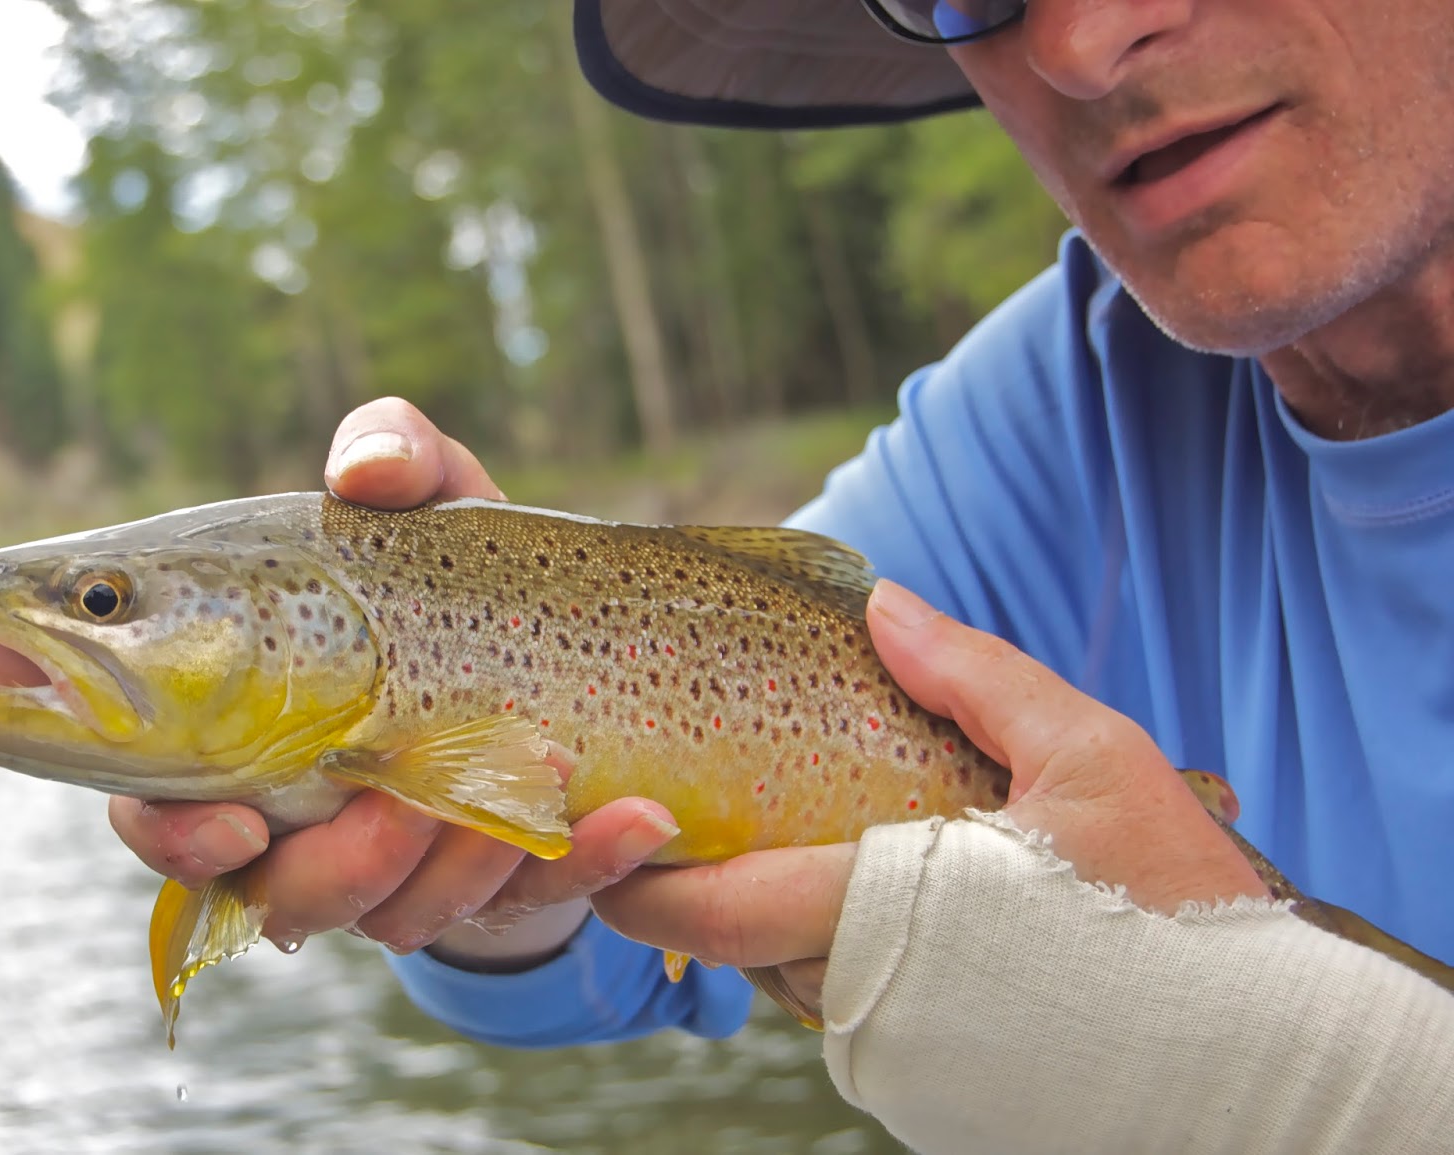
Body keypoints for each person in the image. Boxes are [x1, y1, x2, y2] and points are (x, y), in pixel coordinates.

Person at [112, 1, 1454, 1149]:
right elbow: (596, 982)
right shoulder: (1064, 407)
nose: (1086, 46)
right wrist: (462, 804)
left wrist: (1292, 1075)